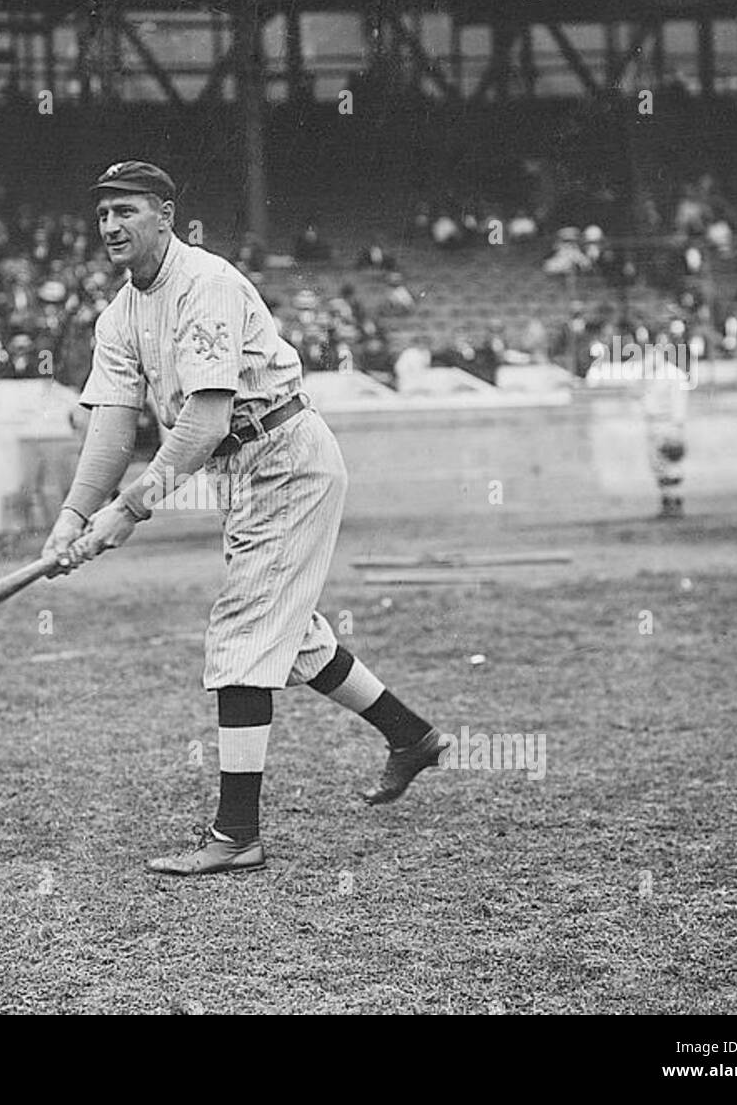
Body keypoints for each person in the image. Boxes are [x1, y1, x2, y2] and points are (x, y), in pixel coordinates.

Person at [41, 160, 446, 877]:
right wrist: (74, 515)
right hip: (244, 470)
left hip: (283, 453)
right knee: (289, 641)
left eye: (127, 211)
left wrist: (129, 510)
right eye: (103, 214)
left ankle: (237, 833)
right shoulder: (120, 315)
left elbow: (203, 420)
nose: (111, 227)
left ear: (165, 215)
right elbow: (110, 423)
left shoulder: (207, 286)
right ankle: (410, 736)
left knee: (240, 635)